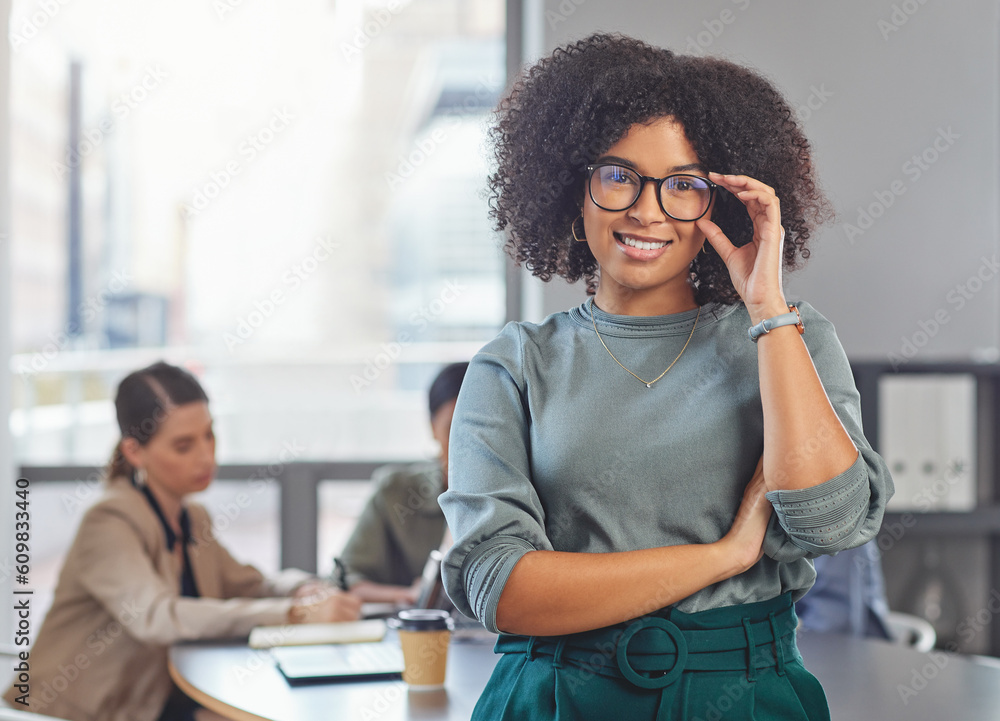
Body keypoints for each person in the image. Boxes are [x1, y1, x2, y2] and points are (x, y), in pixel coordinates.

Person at [439, 34, 894, 720]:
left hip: (742, 694)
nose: (646, 210)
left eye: (684, 185)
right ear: (573, 188)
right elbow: (501, 587)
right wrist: (726, 554)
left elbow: (832, 519)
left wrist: (767, 309)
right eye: (618, 175)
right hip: (556, 695)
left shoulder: (788, 339)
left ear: (722, 203)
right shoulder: (513, 364)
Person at [3, 362, 361, 721]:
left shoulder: (191, 517)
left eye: (209, 435)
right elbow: (159, 617)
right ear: (134, 452)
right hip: (79, 714)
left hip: (158, 700)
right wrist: (295, 615)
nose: (206, 456)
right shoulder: (109, 521)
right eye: (183, 445)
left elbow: (250, 584)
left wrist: (306, 589)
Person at [337, 362, 468, 605]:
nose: (467, 444)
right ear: (432, 427)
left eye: (481, 430)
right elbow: (344, 580)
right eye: (452, 428)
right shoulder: (396, 491)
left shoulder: (526, 495)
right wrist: (407, 596)